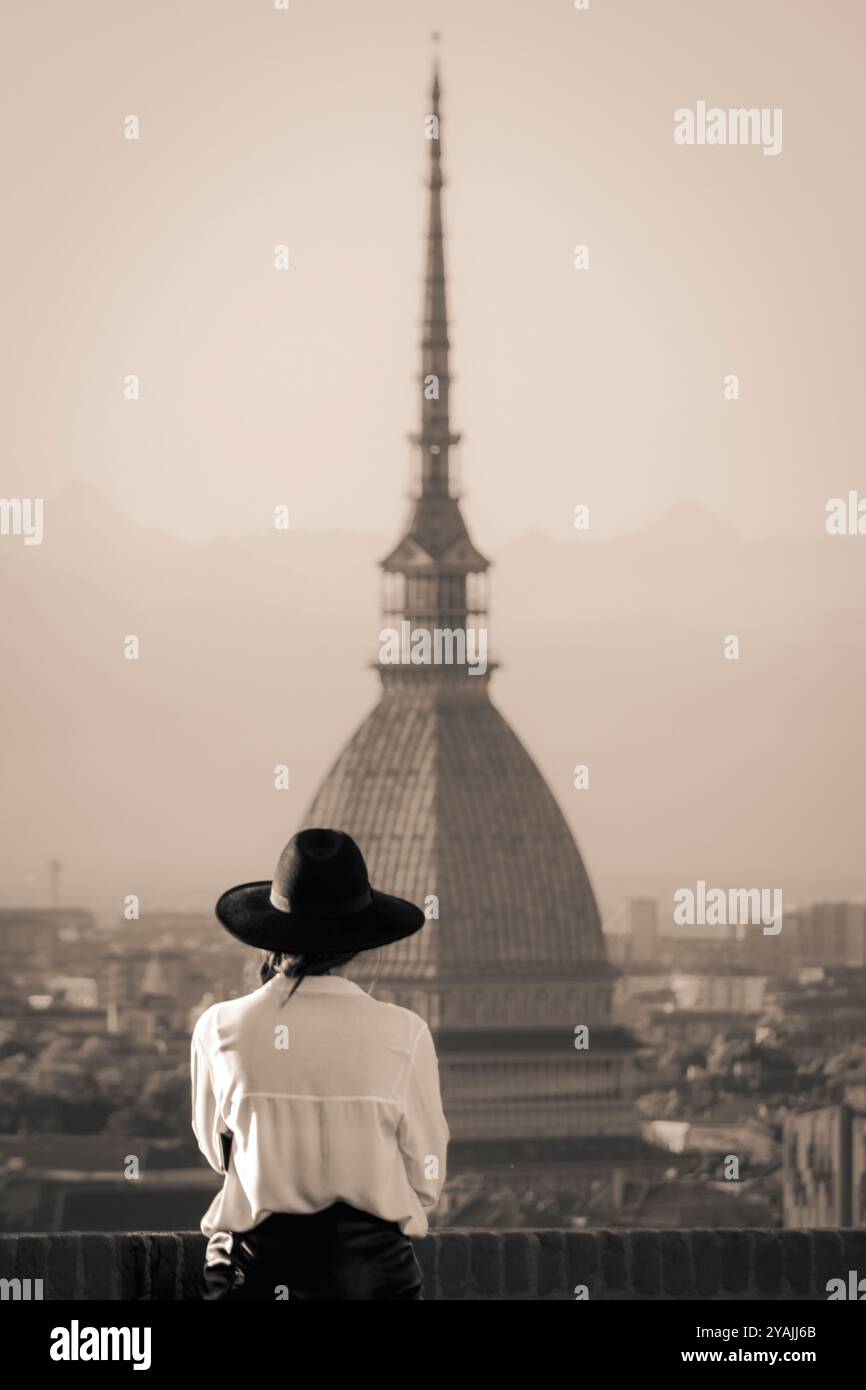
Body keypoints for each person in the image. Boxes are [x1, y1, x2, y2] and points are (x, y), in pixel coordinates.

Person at [191, 827, 449, 1300]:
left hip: (254, 1270)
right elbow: (426, 1173)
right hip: (372, 1276)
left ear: (271, 932)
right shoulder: (405, 1032)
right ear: (359, 938)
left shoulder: (218, 1027)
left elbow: (216, 1151)